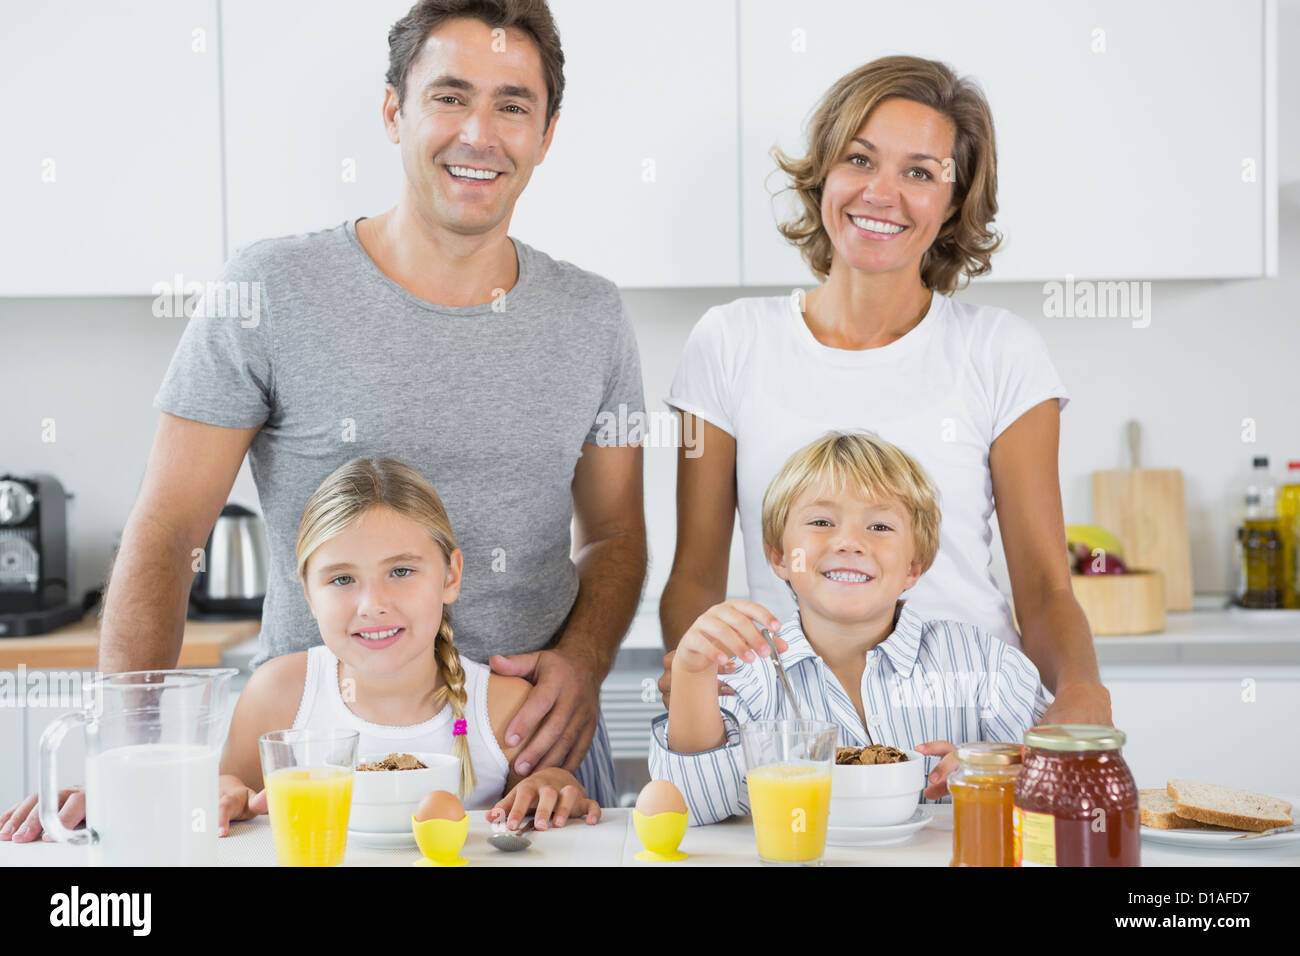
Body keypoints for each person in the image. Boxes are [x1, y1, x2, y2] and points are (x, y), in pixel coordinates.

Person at [95, 0, 646, 808]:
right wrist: (129, 765)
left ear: (546, 133)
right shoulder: (272, 290)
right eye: (450, 96)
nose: (480, 135)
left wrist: (587, 660)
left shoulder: (592, 315)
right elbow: (169, 530)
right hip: (322, 765)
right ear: (395, 110)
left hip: (535, 771)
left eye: (513, 105)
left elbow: (615, 536)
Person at [658, 55, 1108, 727]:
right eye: (860, 160)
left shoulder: (1001, 352)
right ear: (823, 175)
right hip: (794, 731)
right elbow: (695, 576)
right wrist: (693, 681)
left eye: (920, 173)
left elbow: (1043, 591)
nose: (881, 193)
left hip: (968, 731)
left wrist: (1080, 694)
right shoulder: (728, 343)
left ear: (954, 202)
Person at [2, 458, 599, 843]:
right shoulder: (281, 697)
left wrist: (554, 787)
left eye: (401, 571)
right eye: (341, 579)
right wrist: (219, 797)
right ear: (306, 594)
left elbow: (559, 814)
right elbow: (215, 805)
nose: (371, 603)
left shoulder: (504, 708)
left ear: (450, 576)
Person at [649, 432, 1051, 824]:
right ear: (780, 557)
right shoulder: (743, 672)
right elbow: (695, 807)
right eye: (822, 521)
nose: (849, 542)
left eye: (879, 527)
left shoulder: (982, 660)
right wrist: (693, 673)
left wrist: (1000, 771)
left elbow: (1063, 781)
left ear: (913, 567)